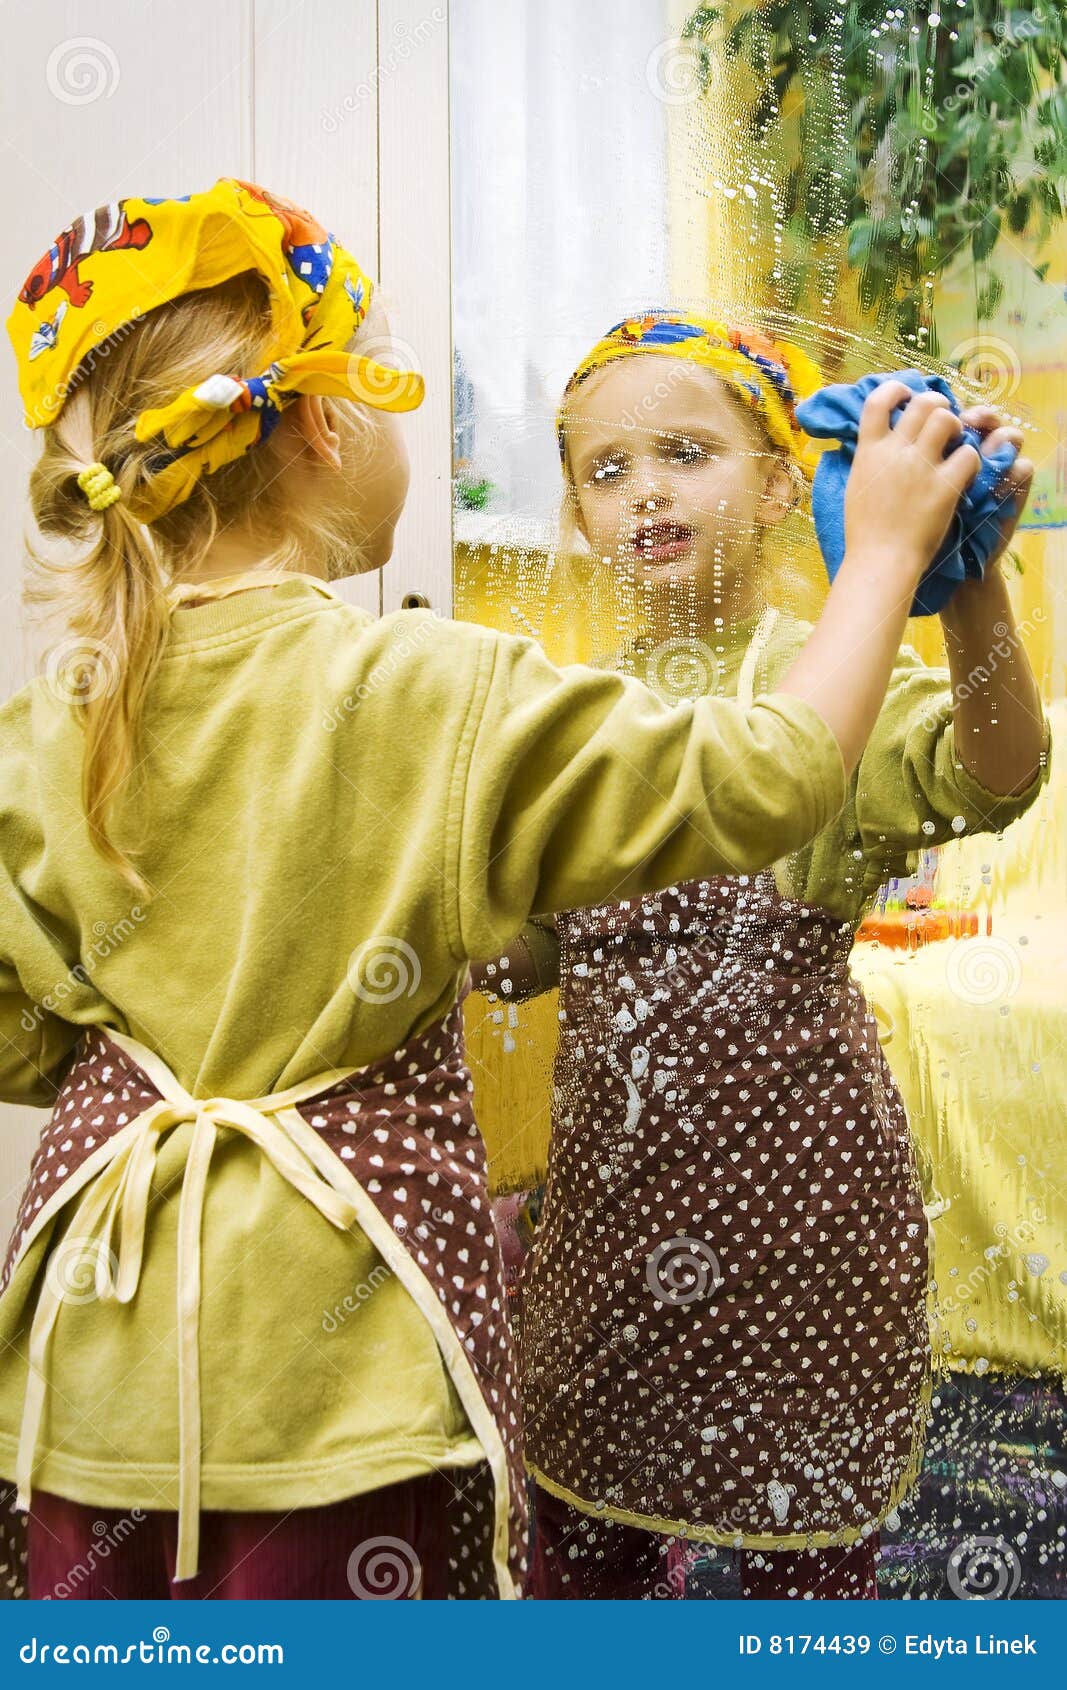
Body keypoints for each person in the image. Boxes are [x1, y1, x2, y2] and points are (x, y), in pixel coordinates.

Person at [0, 184, 997, 1599]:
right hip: (335, 1377)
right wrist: (890, 556)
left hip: (84, 1361)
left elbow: (15, 1028)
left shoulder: (57, 717)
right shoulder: (421, 684)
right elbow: (769, 775)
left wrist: (172, 1059)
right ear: (325, 428)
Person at [473, 312, 1050, 1600]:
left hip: (804, 1206)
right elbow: (525, 956)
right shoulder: (570, 711)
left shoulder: (820, 681)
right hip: (614, 1211)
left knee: (804, 1560)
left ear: (786, 479)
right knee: (580, 1532)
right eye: (606, 472)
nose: (647, 494)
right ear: (573, 513)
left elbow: (995, 774)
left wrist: (970, 597)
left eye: (686, 451)